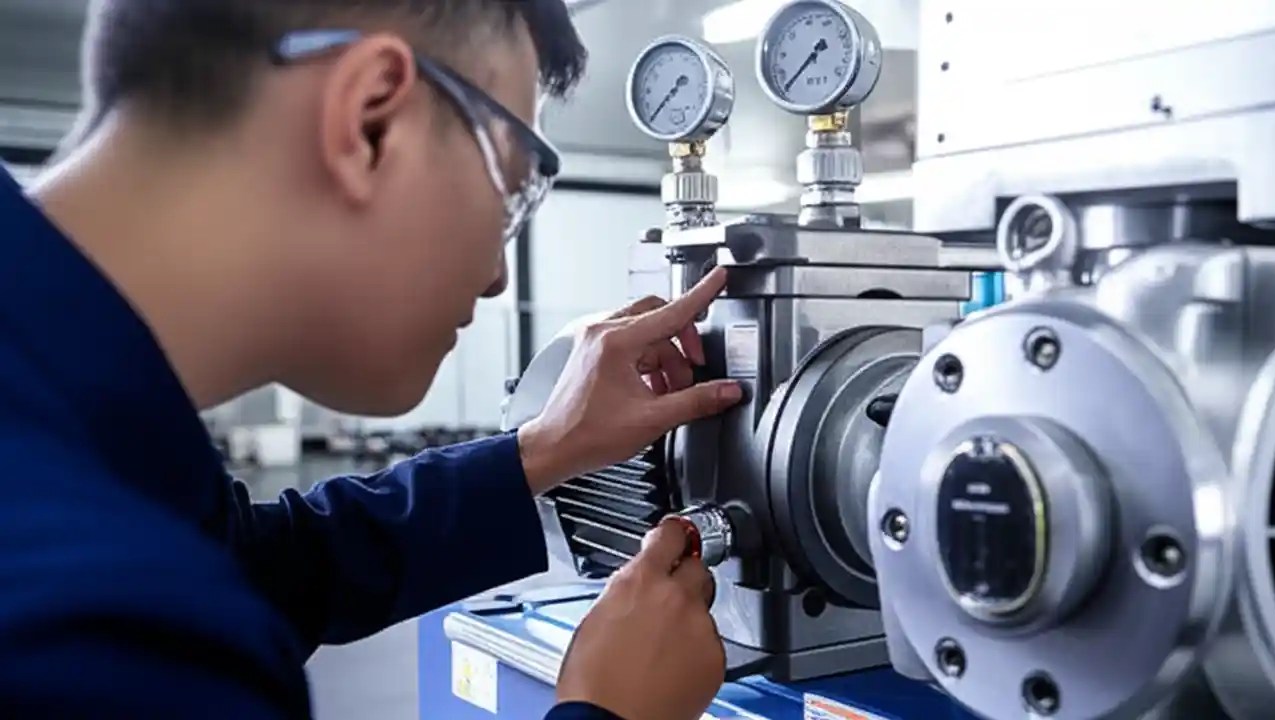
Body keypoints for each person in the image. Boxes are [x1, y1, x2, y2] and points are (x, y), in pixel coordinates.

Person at [0, 1, 744, 718]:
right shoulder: (93, 635)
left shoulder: (79, 448)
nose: (498, 277)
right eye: (512, 187)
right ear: (371, 122)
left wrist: (544, 451)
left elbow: (259, 564)